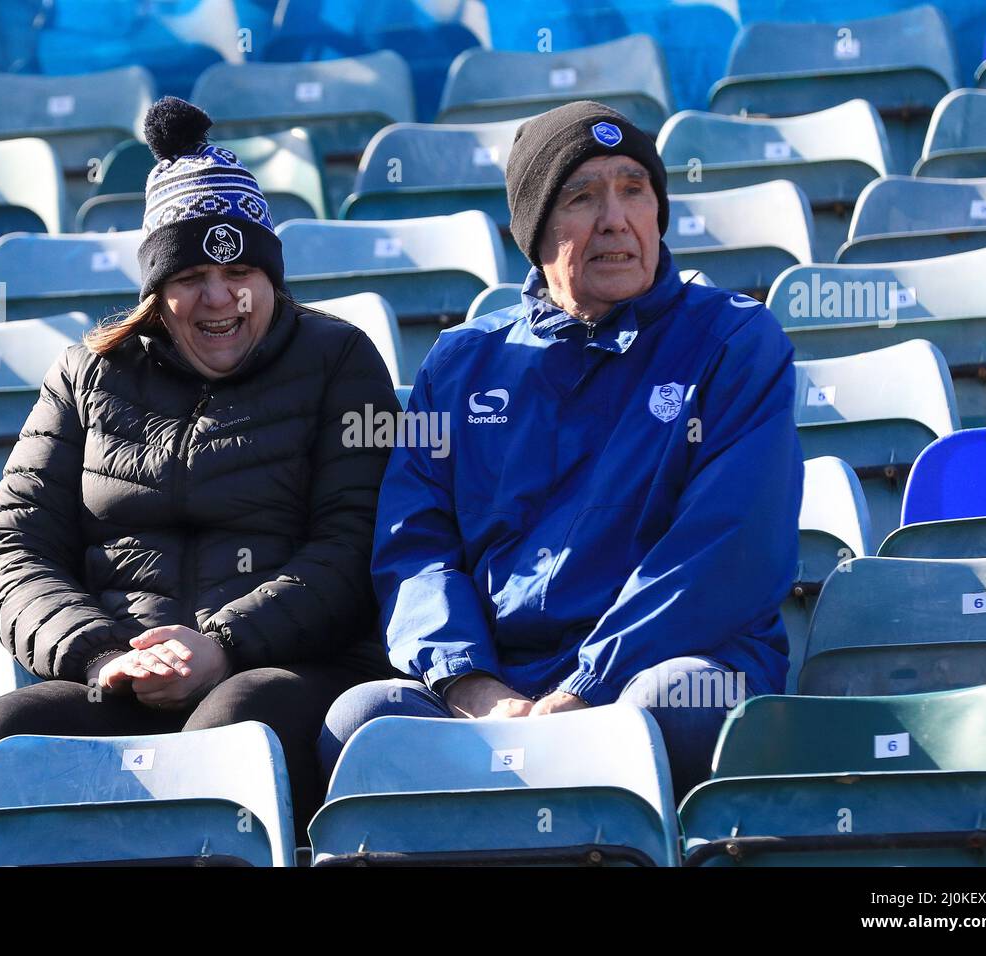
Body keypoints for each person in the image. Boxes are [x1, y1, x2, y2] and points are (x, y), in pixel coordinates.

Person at [319, 102, 803, 803]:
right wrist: (472, 685)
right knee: (360, 721)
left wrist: (590, 686)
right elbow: (415, 545)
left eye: (634, 189)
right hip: (502, 682)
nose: (616, 219)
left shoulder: (736, 341)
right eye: (582, 197)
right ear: (535, 229)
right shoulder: (459, 363)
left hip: (670, 659)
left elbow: (728, 545)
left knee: (670, 704)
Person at [0, 97, 399, 840]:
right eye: (189, 275)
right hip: (122, 672)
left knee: (230, 730)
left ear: (272, 277)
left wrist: (224, 645)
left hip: (288, 667)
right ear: (156, 290)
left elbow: (355, 546)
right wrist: (101, 655)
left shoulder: (338, 359)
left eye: (240, 270)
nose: (218, 298)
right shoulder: (87, 374)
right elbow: (15, 551)